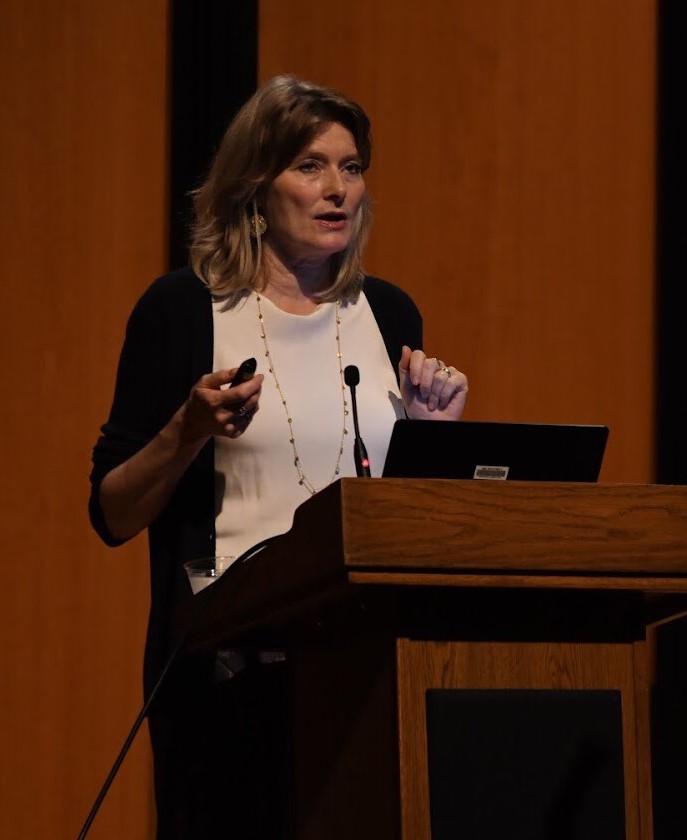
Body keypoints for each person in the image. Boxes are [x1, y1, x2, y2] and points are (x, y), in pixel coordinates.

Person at [89, 74, 468, 839]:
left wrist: (433, 436)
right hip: (223, 677)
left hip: (362, 671)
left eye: (351, 167)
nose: (337, 190)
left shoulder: (387, 313)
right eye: (310, 166)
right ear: (255, 184)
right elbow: (112, 512)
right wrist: (187, 429)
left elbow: (393, 521)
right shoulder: (182, 311)